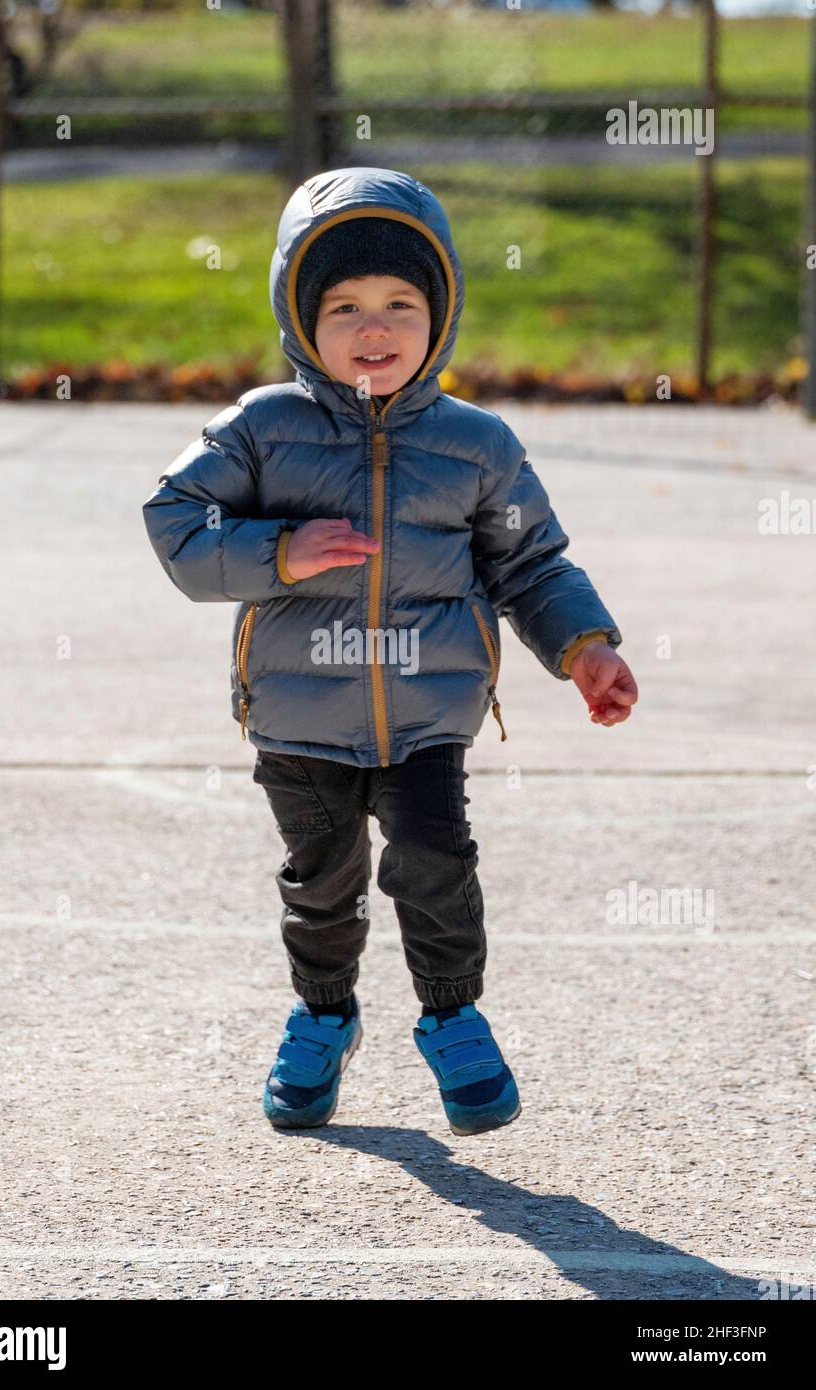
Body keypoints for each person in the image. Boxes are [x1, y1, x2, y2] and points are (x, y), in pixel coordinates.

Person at [142, 166, 639, 1137]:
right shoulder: (259, 429)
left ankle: (453, 1014)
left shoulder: (475, 444)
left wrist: (582, 646)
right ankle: (323, 1014)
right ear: (299, 316)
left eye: (401, 303)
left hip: (424, 718)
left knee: (433, 864)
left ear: (440, 314)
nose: (376, 327)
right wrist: (278, 551)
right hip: (298, 718)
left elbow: (529, 561)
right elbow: (175, 522)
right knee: (318, 883)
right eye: (346, 305)